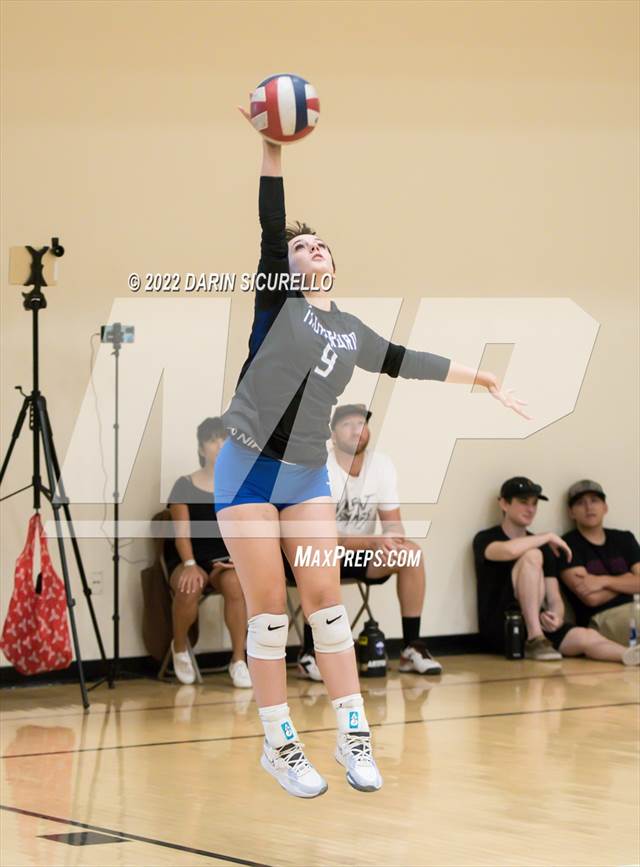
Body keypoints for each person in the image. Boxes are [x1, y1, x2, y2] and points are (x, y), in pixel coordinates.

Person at [214, 108, 530, 800]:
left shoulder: (351, 331)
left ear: (334, 263)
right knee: (270, 610)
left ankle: (353, 732)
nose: (311, 250)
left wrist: (479, 378)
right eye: (302, 248)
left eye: (320, 245)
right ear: (285, 268)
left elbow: (405, 359)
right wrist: (274, 145)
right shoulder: (276, 304)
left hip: (302, 476)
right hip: (244, 470)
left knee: (325, 603)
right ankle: (280, 742)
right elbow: (273, 224)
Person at [296, 403, 442, 680]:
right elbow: (321, 534)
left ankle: (412, 648)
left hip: (361, 554)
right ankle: (310, 653)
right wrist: (374, 542)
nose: (356, 430)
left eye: (361, 424)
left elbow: (394, 526)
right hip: (319, 553)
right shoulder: (320, 467)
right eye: (347, 425)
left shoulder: (382, 465)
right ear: (333, 434)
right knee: (318, 553)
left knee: (411, 553)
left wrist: (392, 542)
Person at [472, 477, 640, 665]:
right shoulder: (485, 538)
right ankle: (534, 638)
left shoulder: (544, 545)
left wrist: (557, 616)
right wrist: (548, 536)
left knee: (587, 636)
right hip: (504, 628)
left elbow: (554, 597)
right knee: (533, 556)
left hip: (543, 628)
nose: (530, 509)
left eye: (534, 503)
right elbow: (509, 551)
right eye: (523, 502)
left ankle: (630, 655)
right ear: (504, 503)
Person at [164, 418, 251, 688]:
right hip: (188, 558)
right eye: (213, 440)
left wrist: (239, 559)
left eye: (224, 439)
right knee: (190, 585)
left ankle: (238, 660)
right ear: (202, 449)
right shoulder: (184, 485)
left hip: (223, 562)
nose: (220, 445)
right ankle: (180, 647)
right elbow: (182, 535)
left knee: (237, 583)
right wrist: (189, 564)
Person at [559, 480, 640, 644]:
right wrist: (627, 579)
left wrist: (601, 581)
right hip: (600, 619)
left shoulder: (624, 539)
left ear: (605, 507)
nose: (589, 507)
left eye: (594, 500)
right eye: (581, 503)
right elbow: (591, 598)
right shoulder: (566, 545)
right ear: (571, 513)